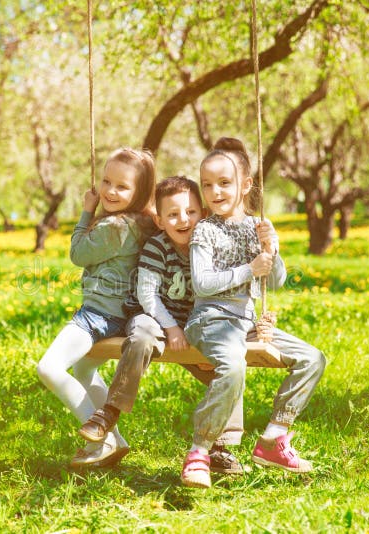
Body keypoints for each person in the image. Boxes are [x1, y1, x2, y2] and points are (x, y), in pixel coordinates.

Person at [180, 137, 327, 488]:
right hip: (211, 320)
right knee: (232, 366)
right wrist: (249, 268)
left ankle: (273, 438)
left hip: (244, 325)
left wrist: (271, 248)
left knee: (312, 358)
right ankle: (199, 451)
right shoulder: (205, 229)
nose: (215, 191)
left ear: (246, 185)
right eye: (207, 184)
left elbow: (276, 281)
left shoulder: (256, 225)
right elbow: (201, 284)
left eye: (224, 183)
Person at [77, 176, 247, 473]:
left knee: (230, 363)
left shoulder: (212, 246)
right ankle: (110, 411)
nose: (183, 220)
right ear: (160, 219)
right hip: (155, 318)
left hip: (199, 323)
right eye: (172, 214)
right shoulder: (157, 247)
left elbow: (233, 292)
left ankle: (221, 447)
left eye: (191, 212)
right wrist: (170, 328)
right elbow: (147, 295)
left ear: (203, 213)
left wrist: (254, 322)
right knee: (141, 334)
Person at [37, 147, 156, 468]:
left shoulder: (113, 227)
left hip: (98, 316)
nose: (110, 191)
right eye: (106, 181)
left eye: (122, 186)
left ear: (139, 191)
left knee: (48, 368)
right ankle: (117, 440)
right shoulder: (141, 223)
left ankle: (100, 436)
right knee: (84, 369)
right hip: (123, 315)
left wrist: (87, 212)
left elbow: (78, 254)